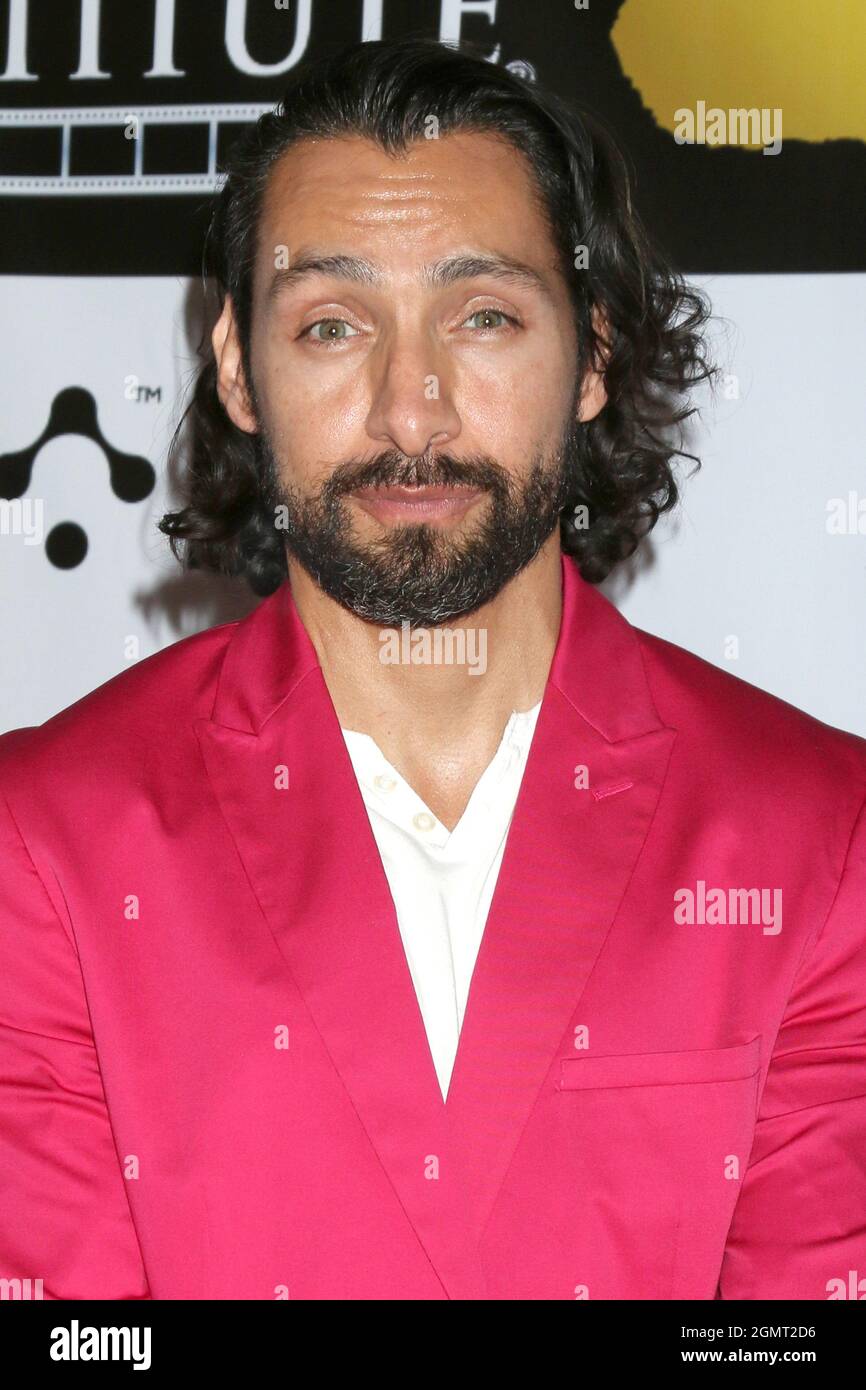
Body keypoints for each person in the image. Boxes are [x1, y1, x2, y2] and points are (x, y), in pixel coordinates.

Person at [0, 37, 863, 1302]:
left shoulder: (817, 834)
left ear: (594, 356)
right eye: (334, 324)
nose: (413, 410)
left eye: (484, 316)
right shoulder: (46, 839)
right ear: (239, 366)